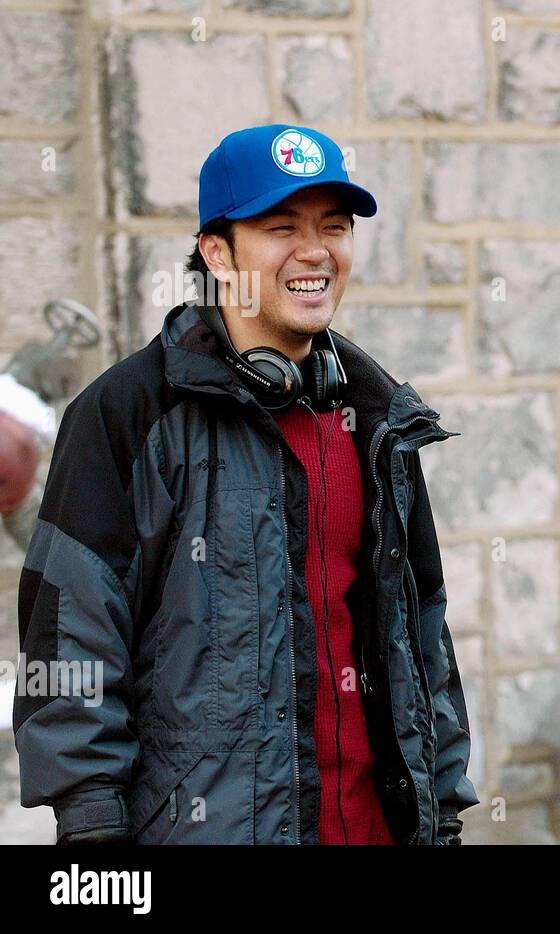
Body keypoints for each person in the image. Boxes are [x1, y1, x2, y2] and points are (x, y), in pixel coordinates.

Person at [14, 124, 477, 844]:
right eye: (280, 226)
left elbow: (421, 636)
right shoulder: (127, 413)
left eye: (335, 226)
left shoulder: (383, 419)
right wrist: (92, 829)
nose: (316, 251)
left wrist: (442, 810)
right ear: (217, 253)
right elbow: (72, 636)